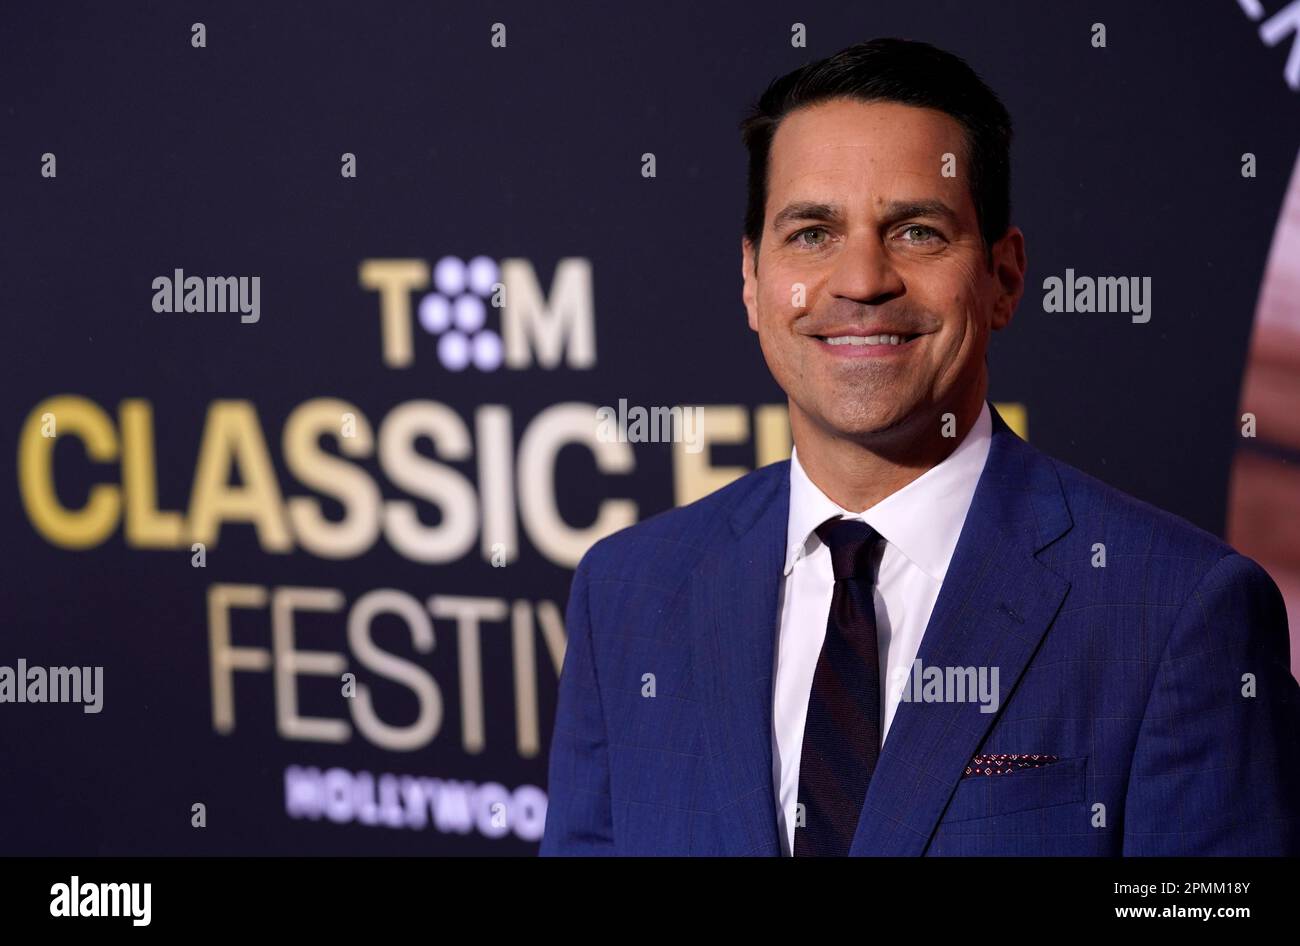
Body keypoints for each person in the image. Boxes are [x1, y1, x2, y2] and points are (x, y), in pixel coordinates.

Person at [539, 37, 1300, 856]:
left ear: (1003, 278)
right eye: (811, 233)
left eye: (917, 232)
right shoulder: (626, 595)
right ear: (752, 282)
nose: (863, 280)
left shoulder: (1179, 614)